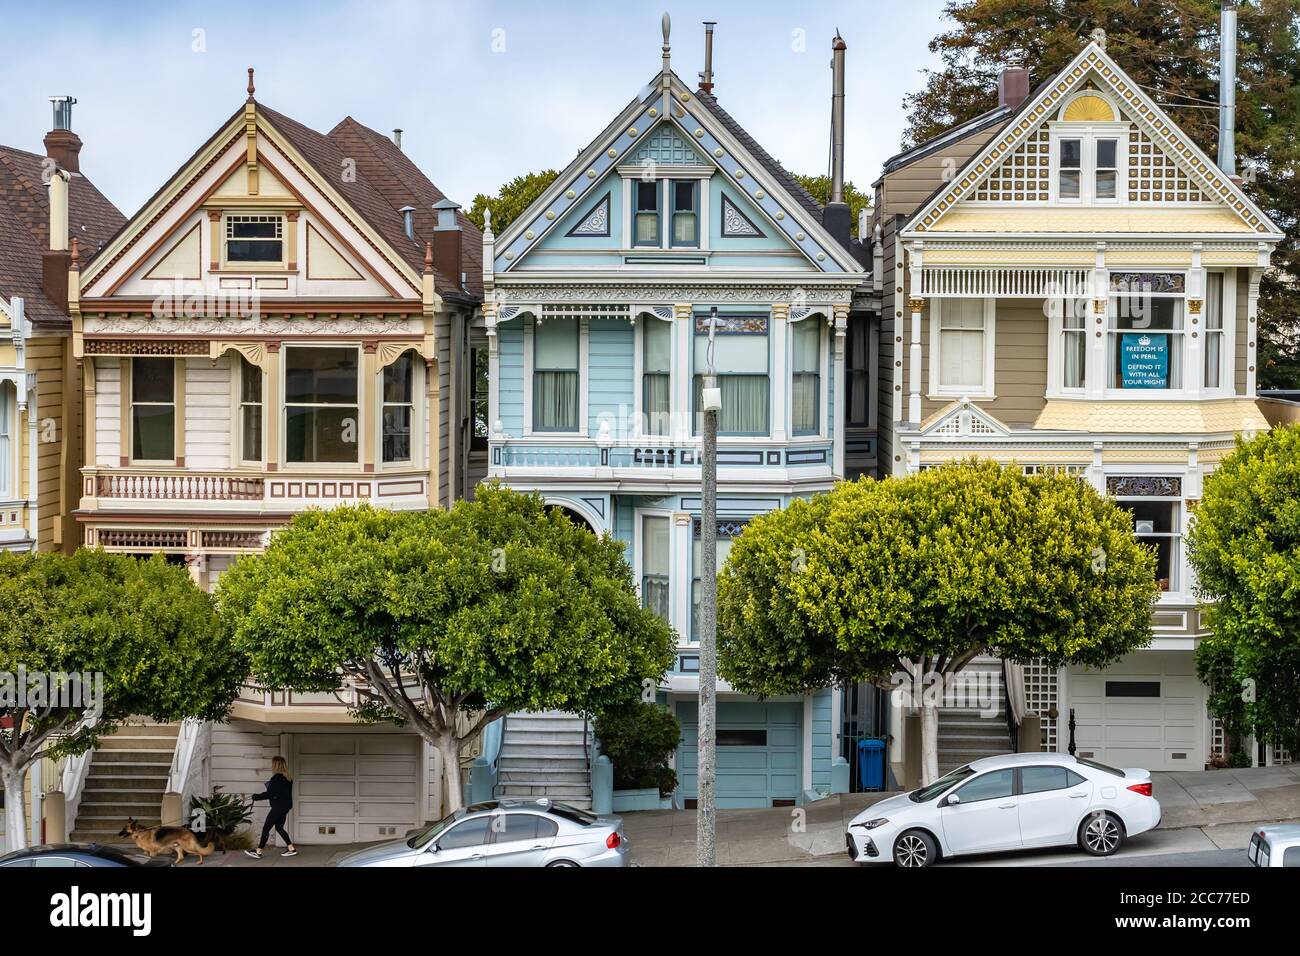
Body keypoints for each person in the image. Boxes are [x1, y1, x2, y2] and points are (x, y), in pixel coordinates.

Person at [244, 756, 297, 859]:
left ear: (275, 765)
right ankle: (291, 849)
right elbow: (279, 793)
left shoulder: (276, 778)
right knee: (279, 827)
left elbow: (270, 794)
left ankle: (258, 851)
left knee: (266, 828)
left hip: (278, 807)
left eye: (272, 764)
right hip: (285, 806)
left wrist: (256, 797)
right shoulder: (288, 778)